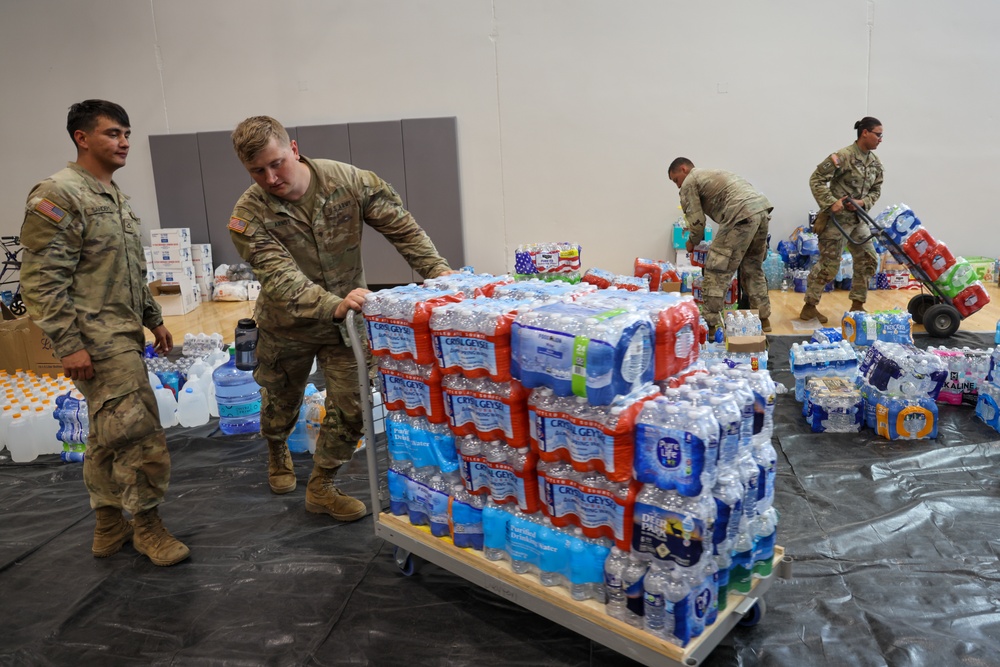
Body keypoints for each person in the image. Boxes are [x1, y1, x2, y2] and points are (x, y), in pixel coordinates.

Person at [227, 116, 455, 521]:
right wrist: (332, 303)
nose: (271, 177)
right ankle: (276, 446)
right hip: (288, 324)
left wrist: (439, 274)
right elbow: (280, 277)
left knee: (353, 406)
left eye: (277, 163)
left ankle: (323, 485)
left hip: (347, 323)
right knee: (281, 401)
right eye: (257, 171)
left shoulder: (350, 182)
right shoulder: (249, 215)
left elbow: (403, 229)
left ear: (293, 149)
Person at [19, 100, 189, 566]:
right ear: (83, 138)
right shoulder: (60, 194)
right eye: (113, 134)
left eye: (127, 134)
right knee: (138, 433)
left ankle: (109, 524)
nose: (124, 143)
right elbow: (41, 280)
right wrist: (68, 344)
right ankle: (147, 528)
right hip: (96, 340)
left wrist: (152, 317)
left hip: (122, 332)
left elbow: (130, 270)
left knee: (104, 433)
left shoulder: (113, 197)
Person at [668, 158, 773, 337]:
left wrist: (692, 241)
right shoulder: (710, 173)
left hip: (740, 213)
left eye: (676, 180)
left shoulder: (689, 182)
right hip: (761, 210)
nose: (678, 186)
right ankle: (763, 319)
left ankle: (711, 327)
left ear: (684, 169)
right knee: (752, 268)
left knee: (716, 270)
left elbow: (698, 222)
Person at [800, 117, 884, 323]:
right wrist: (831, 203)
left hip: (858, 220)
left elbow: (876, 189)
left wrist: (864, 202)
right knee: (829, 266)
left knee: (868, 259)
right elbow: (817, 179)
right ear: (865, 132)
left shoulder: (875, 163)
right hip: (835, 221)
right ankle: (809, 307)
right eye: (878, 134)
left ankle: (858, 304)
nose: (881, 139)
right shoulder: (843, 156)